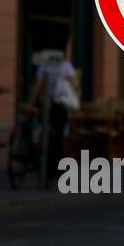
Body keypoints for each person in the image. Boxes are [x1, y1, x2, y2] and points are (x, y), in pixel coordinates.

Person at [30, 51, 80, 181]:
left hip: (46, 105)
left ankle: (45, 165)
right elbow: (75, 84)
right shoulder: (65, 65)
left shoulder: (44, 65)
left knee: (44, 133)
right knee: (57, 136)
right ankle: (56, 167)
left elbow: (38, 85)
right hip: (60, 106)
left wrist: (33, 101)